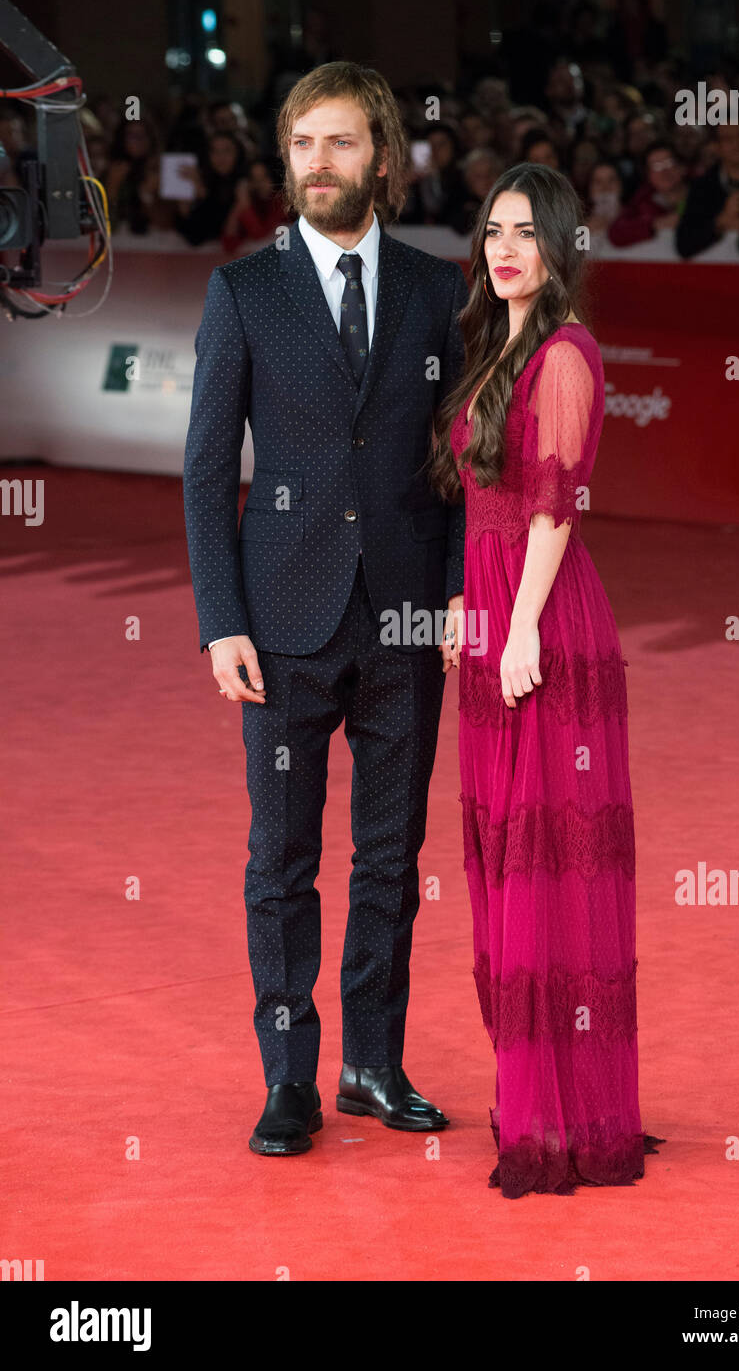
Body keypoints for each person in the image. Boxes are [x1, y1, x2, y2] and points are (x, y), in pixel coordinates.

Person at [183, 61, 469, 1157]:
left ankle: (373, 1065)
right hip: (282, 623)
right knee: (282, 861)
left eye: (341, 144)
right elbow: (211, 471)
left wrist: (450, 590)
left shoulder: (441, 291)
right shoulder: (242, 294)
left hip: (402, 624)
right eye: (303, 144)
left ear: (383, 159)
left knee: (391, 857)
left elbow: (454, 466)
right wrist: (221, 619)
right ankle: (289, 1078)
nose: (318, 164)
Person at [429, 162, 663, 1198]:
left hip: (543, 626)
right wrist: (461, 608)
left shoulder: (565, 354)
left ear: (561, 245)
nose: (506, 246)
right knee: (500, 857)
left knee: (543, 862)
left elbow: (554, 508)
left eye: (526, 230)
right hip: (492, 615)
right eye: (493, 230)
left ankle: (565, 1115)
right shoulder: (502, 345)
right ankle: (547, 1091)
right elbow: (488, 496)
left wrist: (516, 628)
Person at [676, 122, 739, 260]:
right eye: (728, 139)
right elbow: (684, 245)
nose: (737, 143)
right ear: (716, 146)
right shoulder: (702, 187)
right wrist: (720, 223)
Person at [607, 138, 686, 246]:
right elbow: (616, 232)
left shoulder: (701, 192)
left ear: (681, 167)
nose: (664, 171)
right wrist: (654, 224)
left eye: (669, 163)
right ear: (648, 175)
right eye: (656, 166)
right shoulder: (643, 200)